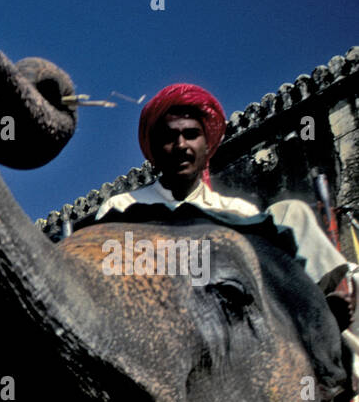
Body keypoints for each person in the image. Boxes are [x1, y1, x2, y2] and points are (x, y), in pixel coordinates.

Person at [95, 83, 357, 290]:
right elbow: (109, 270)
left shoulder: (236, 211)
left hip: (240, 308)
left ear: (207, 146)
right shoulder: (123, 207)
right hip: (161, 303)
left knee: (292, 213)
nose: (181, 145)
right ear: (153, 150)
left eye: (191, 134)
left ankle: (323, 306)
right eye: (169, 137)